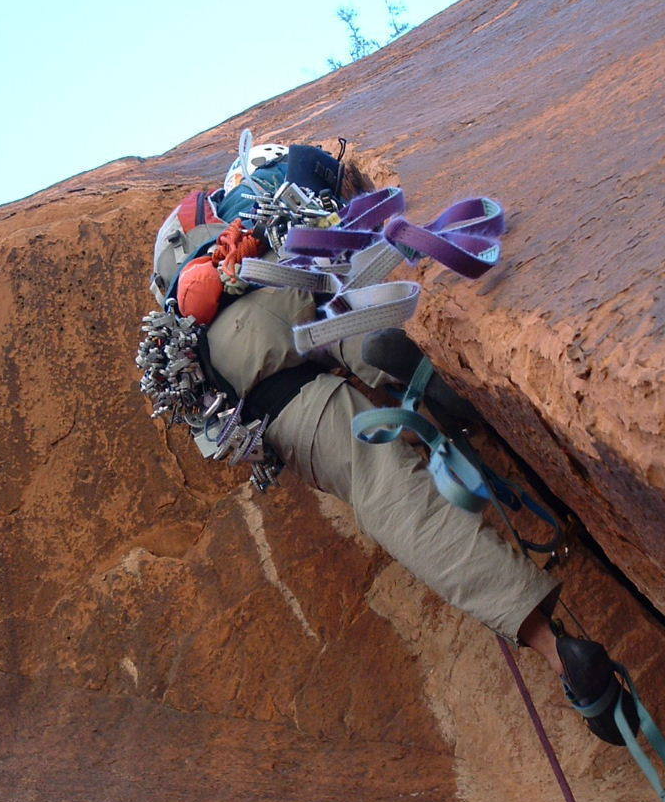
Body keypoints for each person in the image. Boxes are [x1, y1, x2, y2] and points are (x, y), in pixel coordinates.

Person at [147, 138, 636, 745]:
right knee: (344, 315)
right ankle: (414, 374)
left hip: (268, 388)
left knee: (385, 492)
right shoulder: (253, 213)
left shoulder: (183, 295)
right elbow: (322, 217)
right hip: (299, 295)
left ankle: (556, 651)